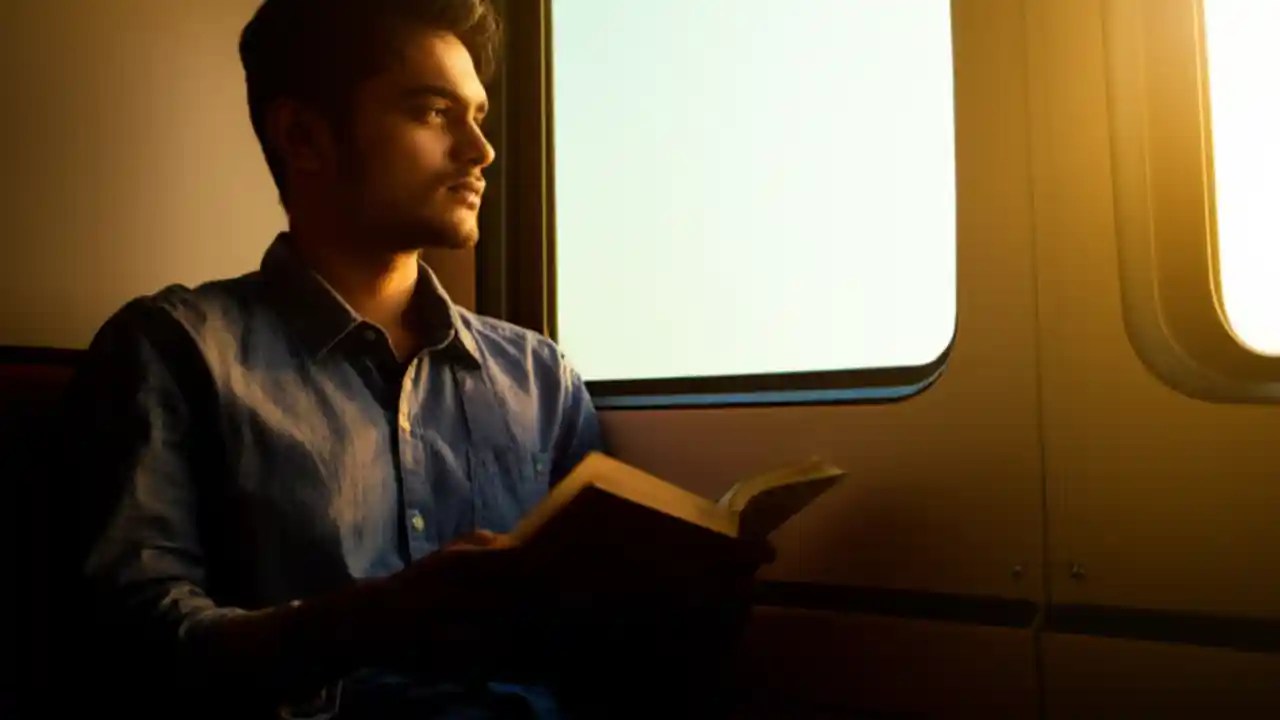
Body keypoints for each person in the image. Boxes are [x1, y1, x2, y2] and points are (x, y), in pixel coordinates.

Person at [56, 1, 767, 718]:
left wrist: (689, 600)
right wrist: (376, 618)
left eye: (479, 114)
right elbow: (141, 643)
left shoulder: (539, 378)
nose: (482, 150)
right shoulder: (176, 351)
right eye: (433, 113)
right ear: (305, 137)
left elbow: (596, 646)